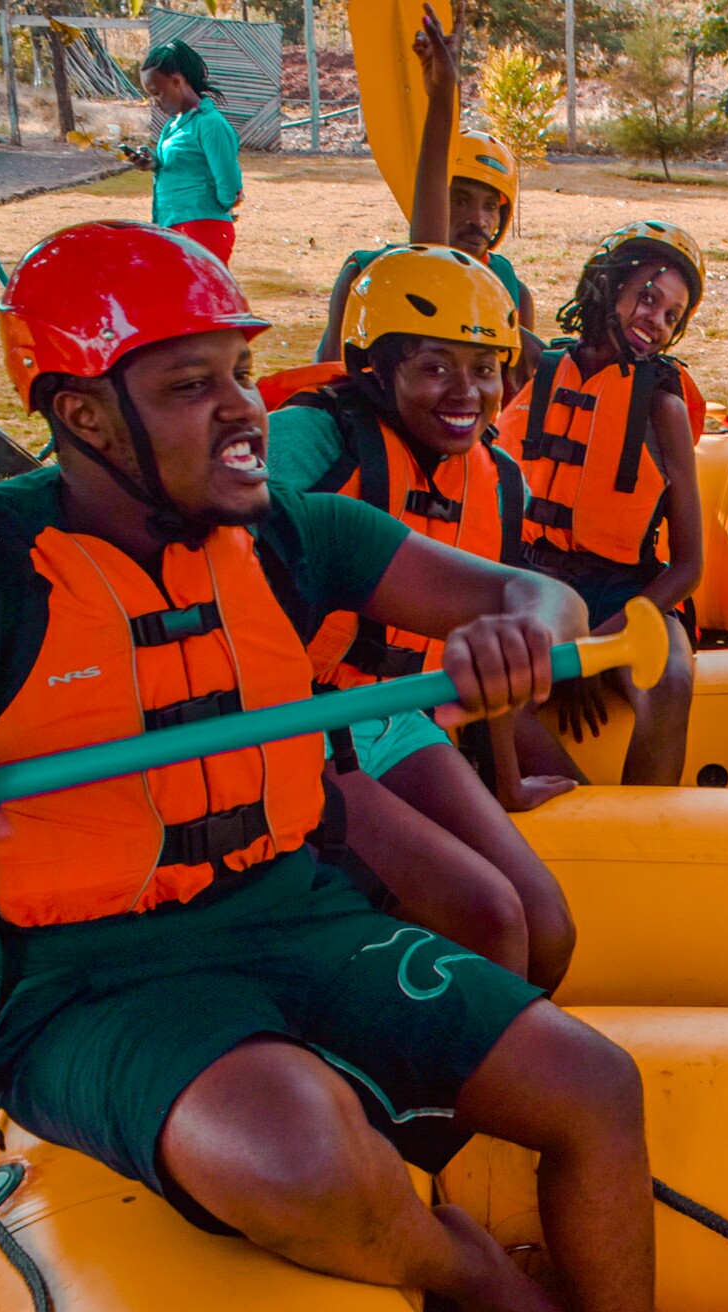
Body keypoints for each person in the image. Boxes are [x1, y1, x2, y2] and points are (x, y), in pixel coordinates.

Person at [0, 222, 653, 1312]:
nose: (245, 410)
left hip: (295, 908)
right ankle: (466, 1269)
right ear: (84, 414)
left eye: (243, 374)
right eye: (190, 385)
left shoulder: (292, 532)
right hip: (89, 973)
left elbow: (529, 588)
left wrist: (525, 628)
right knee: (301, 1155)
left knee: (594, 1084)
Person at [266, 243, 577, 991]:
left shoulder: (498, 479)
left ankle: (493, 1071)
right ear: (378, 369)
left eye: (484, 368)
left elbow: (506, 652)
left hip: (402, 718)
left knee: (549, 925)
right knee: (490, 917)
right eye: (435, 367)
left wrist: (505, 782)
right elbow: (236, 535)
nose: (466, 392)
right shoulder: (318, 435)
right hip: (298, 721)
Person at [493, 221, 706, 788]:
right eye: (649, 297)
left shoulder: (665, 408)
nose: (655, 323)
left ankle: (638, 838)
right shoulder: (528, 370)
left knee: (671, 684)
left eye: (672, 316)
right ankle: (584, 813)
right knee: (502, 705)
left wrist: (594, 647)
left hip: (629, 593)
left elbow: (688, 568)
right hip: (536, 585)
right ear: (608, 286)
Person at [315, 3, 534, 363]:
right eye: (460, 199)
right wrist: (441, 97)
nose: (478, 218)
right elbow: (329, 374)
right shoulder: (367, 277)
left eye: (490, 206)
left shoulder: (513, 295)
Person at [122, 40, 244, 265]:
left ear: (177, 80)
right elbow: (187, 164)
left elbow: (228, 184)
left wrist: (217, 204)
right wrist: (154, 163)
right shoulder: (174, 124)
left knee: (198, 298)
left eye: (157, 92)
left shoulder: (210, 124)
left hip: (201, 228)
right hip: (172, 226)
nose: (155, 102)